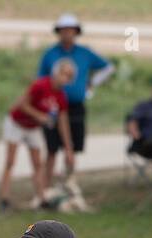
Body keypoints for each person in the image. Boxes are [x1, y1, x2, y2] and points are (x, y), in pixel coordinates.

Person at [36, 13, 113, 196]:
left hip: (76, 106)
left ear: (76, 32)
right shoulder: (51, 53)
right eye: (63, 30)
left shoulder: (84, 52)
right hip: (54, 107)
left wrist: (92, 83)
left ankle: (67, 185)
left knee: (72, 149)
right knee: (53, 148)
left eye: (70, 30)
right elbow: (41, 79)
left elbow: (108, 67)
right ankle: (46, 189)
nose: (67, 34)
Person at [0, 58, 75, 210]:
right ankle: (4, 198)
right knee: (10, 161)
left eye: (69, 76)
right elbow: (21, 104)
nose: (64, 78)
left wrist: (68, 148)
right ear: (56, 72)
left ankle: (42, 199)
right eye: (63, 73)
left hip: (33, 127)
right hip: (17, 122)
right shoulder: (41, 85)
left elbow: (63, 122)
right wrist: (39, 115)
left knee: (37, 163)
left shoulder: (61, 97)